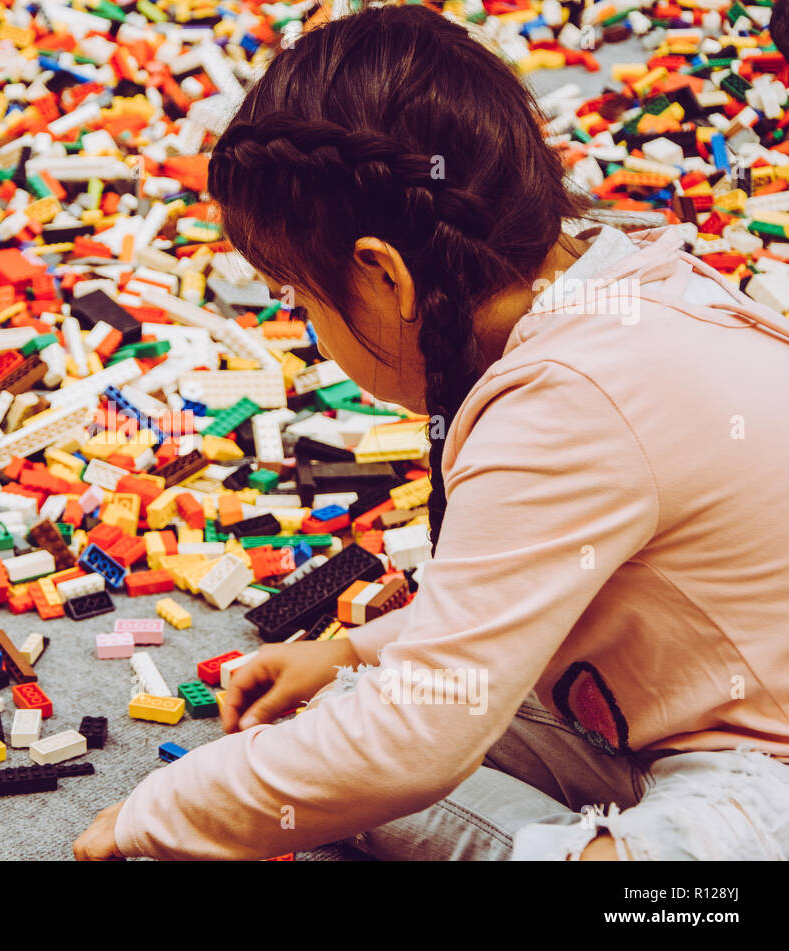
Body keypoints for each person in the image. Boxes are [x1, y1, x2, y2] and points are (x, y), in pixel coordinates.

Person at [73, 4, 789, 861]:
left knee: (394, 751)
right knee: (337, 726)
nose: (304, 323)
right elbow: (510, 592)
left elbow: (416, 735)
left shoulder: (568, 400)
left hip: (765, 766)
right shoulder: (613, 286)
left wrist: (161, 811)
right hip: (678, 710)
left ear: (382, 274)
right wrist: (354, 650)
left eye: (298, 298)